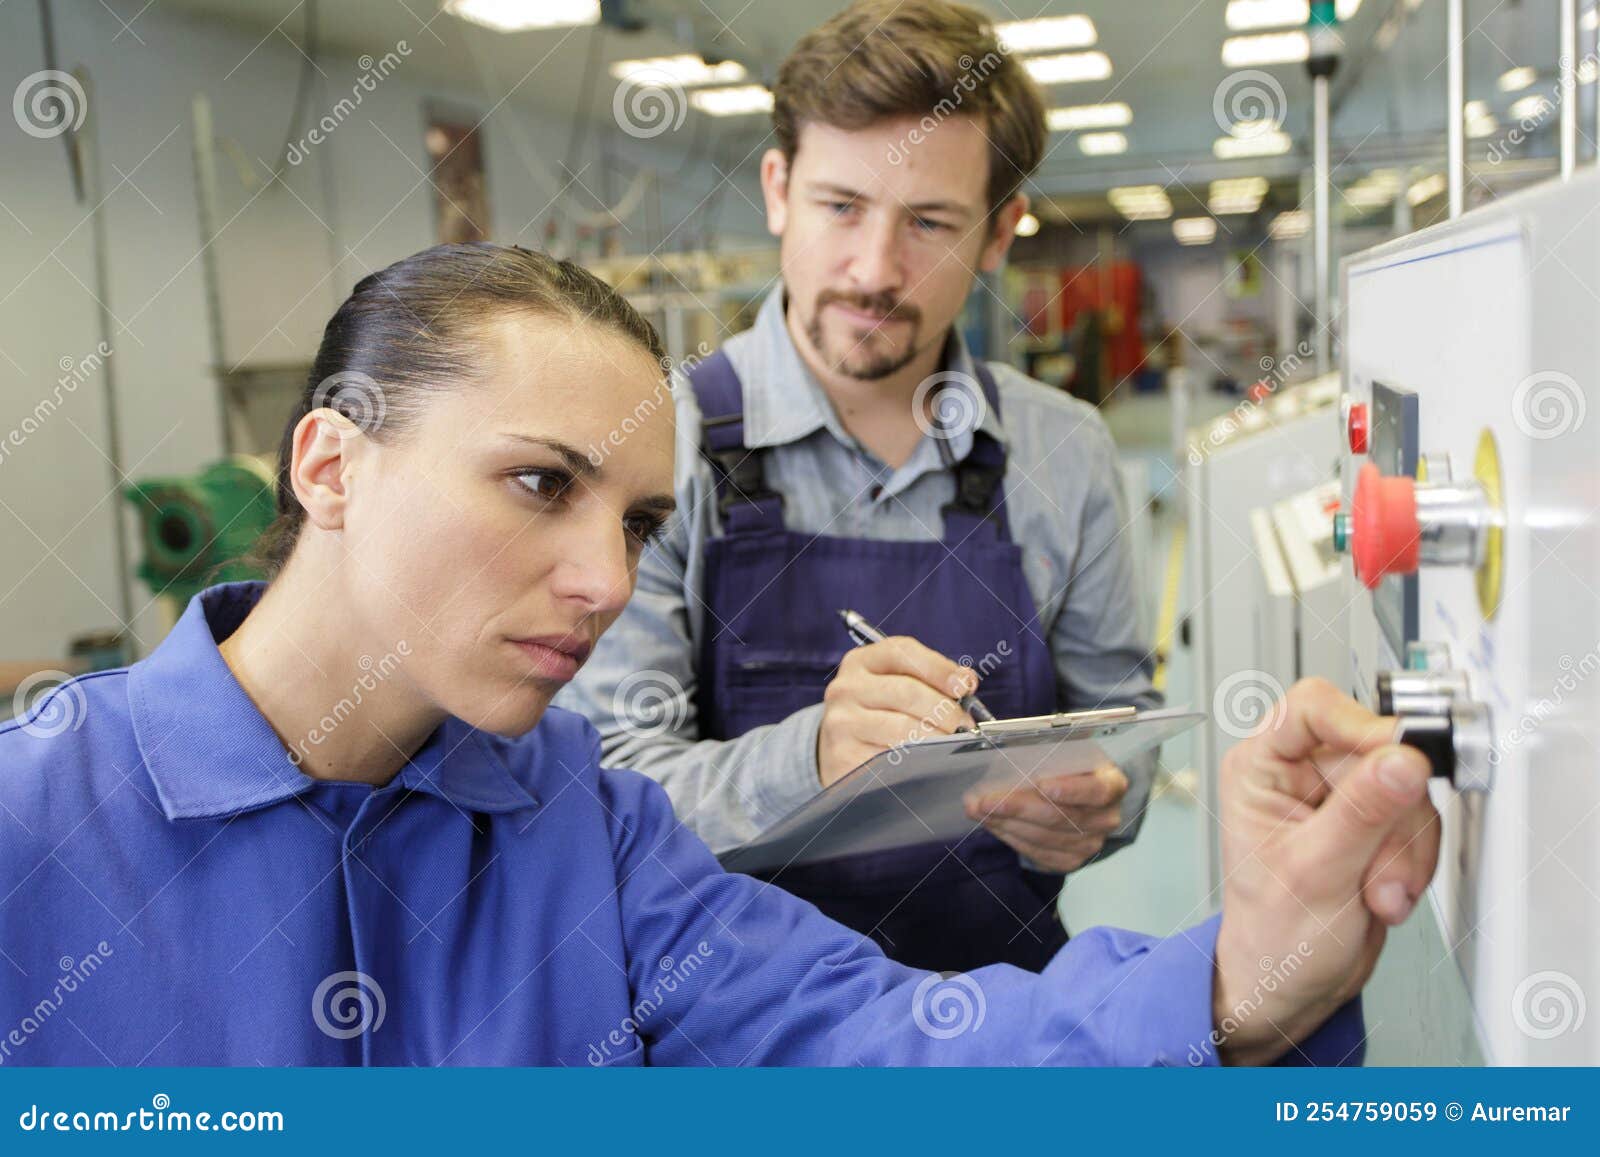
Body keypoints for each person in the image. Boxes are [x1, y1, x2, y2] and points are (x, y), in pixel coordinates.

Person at [0, 242, 1439, 1067]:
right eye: (538, 483)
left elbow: (892, 1042)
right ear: (330, 464)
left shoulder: (589, 833)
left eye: (636, 521)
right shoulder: (35, 830)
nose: (605, 579)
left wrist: (1247, 974)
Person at [560, 0, 1155, 973]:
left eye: (929, 222)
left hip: (999, 1007)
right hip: (731, 1015)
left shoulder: (1065, 453)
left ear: (1000, 231)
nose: (875, 270)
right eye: (841, 206)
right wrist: (812, 760)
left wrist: (1104, 803)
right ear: (778, 190)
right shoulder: (653, 442)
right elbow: (606, 786)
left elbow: (1124, 724)